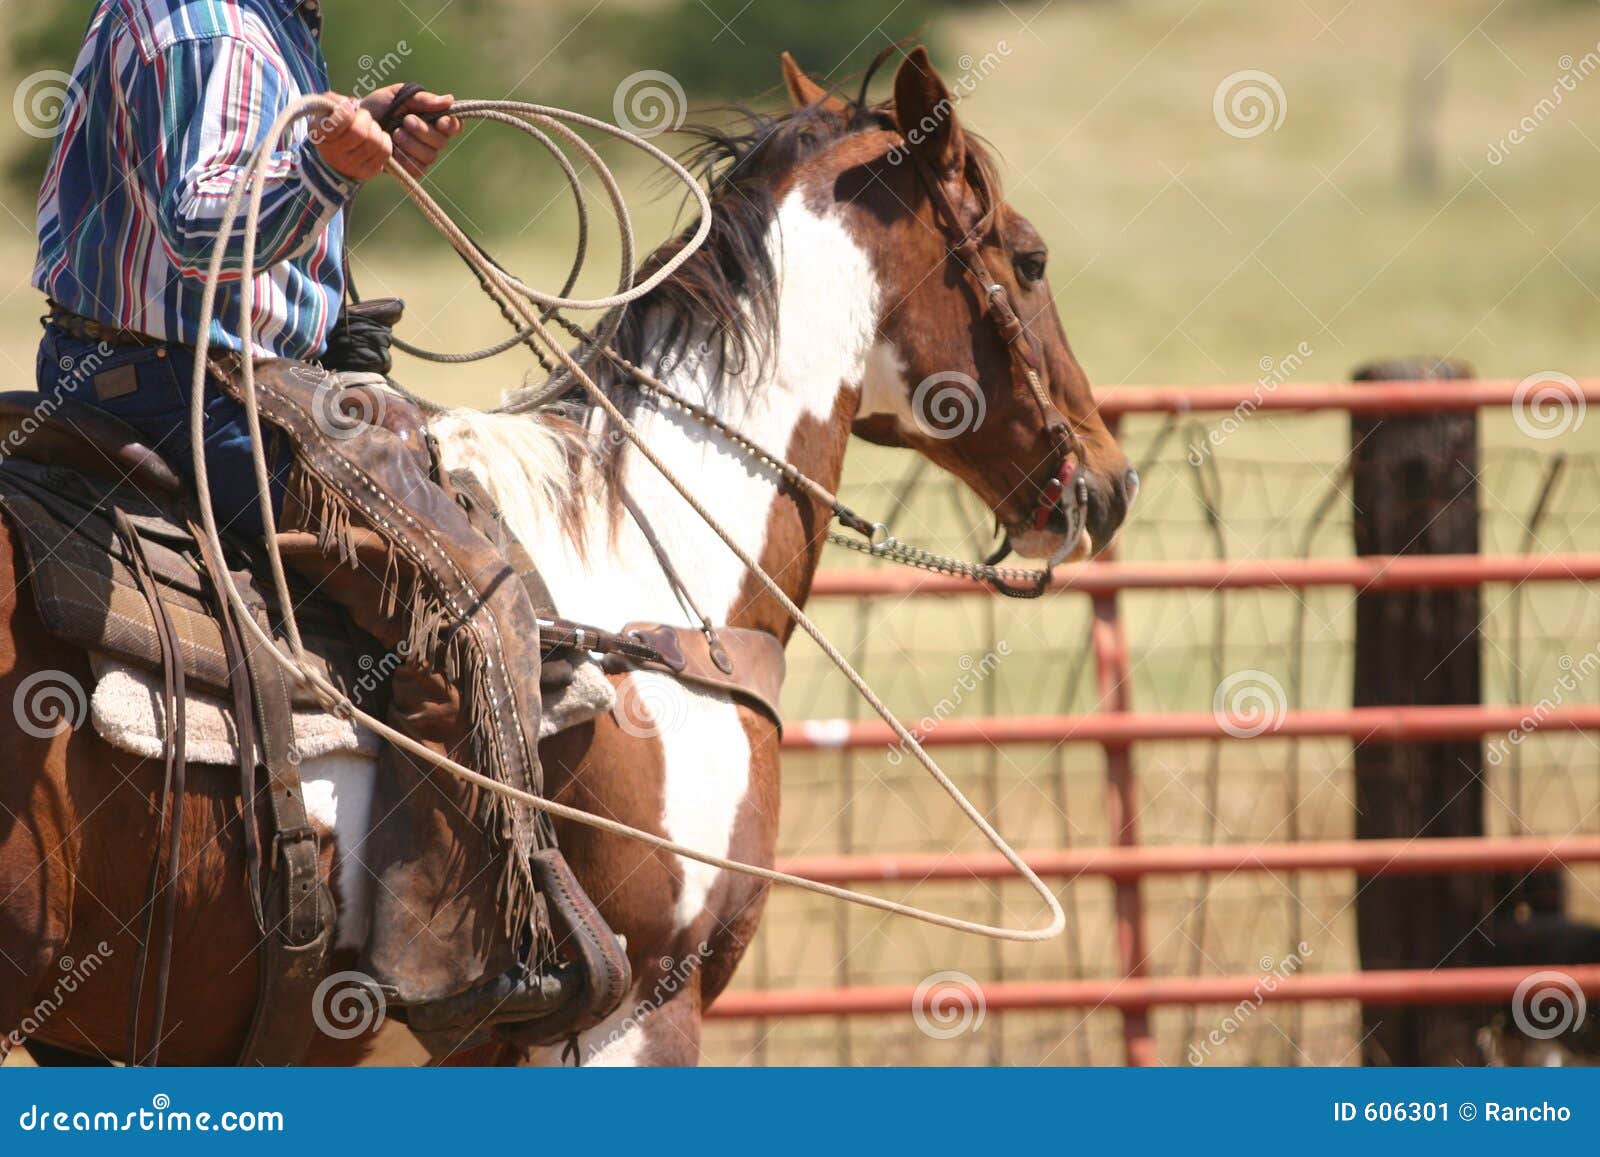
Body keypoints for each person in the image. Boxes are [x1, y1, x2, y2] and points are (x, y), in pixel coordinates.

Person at [32, 0, 623, 1044]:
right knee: (466, 588)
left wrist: (362, 130)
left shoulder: (255, 24)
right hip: (201, 388)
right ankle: (467, 943)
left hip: (151, 367)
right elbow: (201, 233)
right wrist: (330, 171)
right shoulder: (212, 27)